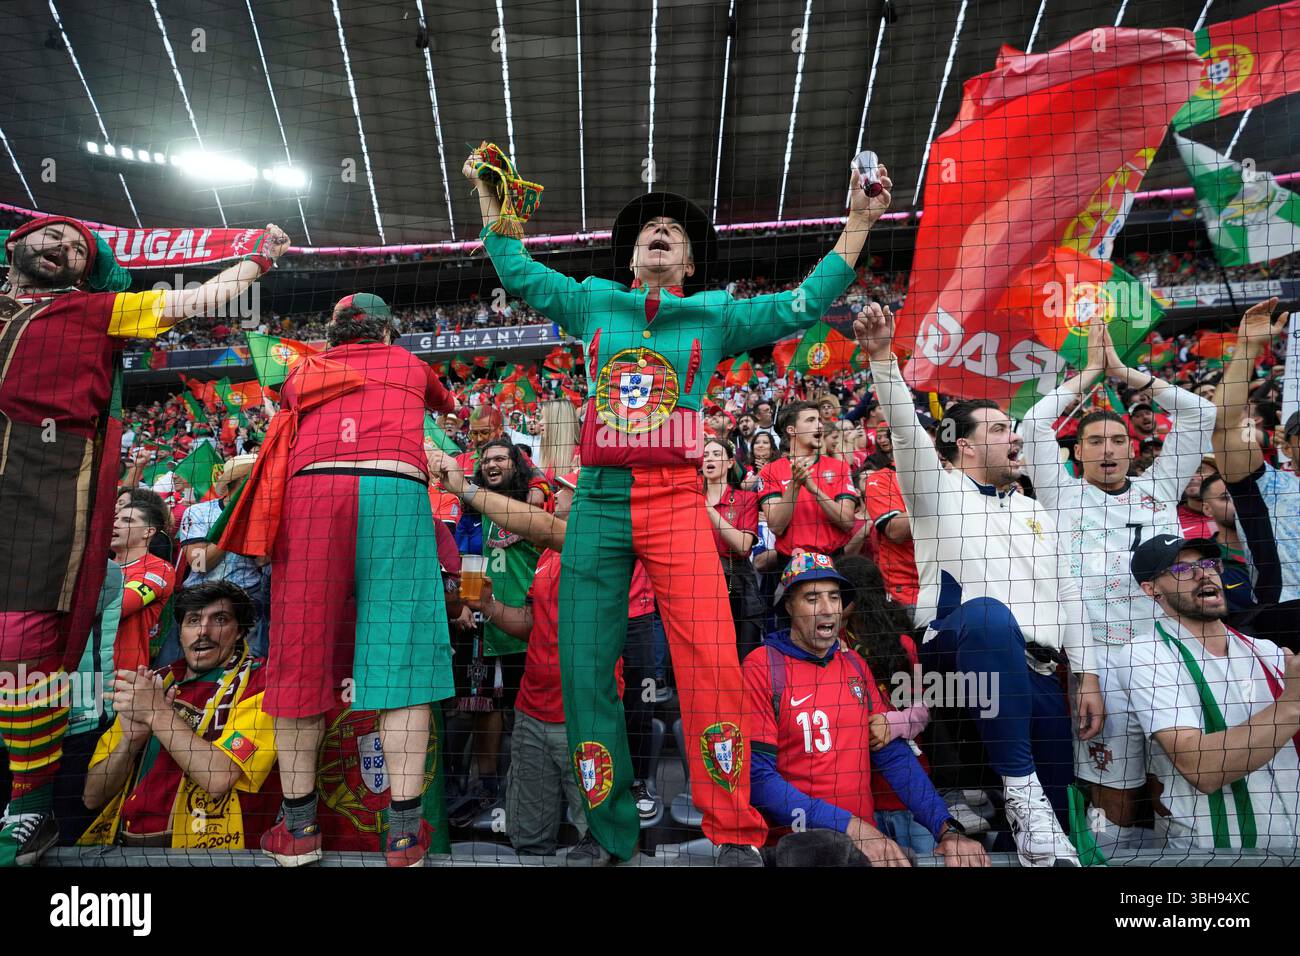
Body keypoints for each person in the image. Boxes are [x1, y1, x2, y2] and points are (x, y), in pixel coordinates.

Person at [467, 143, 894, 865]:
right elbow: (515, 270)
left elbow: (804, 303)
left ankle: (731, 833)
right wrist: (493, 204)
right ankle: (610, 835)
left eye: (675, 229)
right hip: (598, 504)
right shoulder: (591, 299)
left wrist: (857, 223)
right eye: (647, 227)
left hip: (675, 504)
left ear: (691, 262)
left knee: (712, 669)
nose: (660, 228)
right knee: (585, 670)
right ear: (631, 259)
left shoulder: (716, 314)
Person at [0, 216, 288, 866]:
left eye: (78, 247)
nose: (64, 248)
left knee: (21, 646)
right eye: (53, 235)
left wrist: (258, 263)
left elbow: (194, 302)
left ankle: (27, 806)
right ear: (15, 243)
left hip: (43, 480)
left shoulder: (99, 309)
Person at [854, 301, 1100, 867]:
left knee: (1056, 838)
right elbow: (905, 430)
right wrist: (881, 360)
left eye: (1011, 428)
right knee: (989, 614)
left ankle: (1033, 812)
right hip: (959, 662)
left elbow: (1068, 596)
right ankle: (1018, 788)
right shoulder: (937, 492)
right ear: (963, 446)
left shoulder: (1036, 511)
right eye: (996, 429)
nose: (1012, 438)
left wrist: (1083, 676)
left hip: (1038, 675)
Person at [222, 292, 457, 868]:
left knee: (298, 658)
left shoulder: (303, 368)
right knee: (402, 664)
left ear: (333, 332)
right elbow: (448, 406)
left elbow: (288, 397)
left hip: (313, 494)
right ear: (387, 332)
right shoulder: (407, 363)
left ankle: (299, 828)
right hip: (396, 491)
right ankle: (404, 835)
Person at [1022, 311, 1215, 849]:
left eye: (1117, 440)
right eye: (1095, 441)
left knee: (1174, 786)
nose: (1107, 449)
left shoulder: (1161, 487)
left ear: (1133, 449)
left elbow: (1202, 413)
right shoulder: (1059, 496)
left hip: (1169, 657)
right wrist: (1090, 375)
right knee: (1117, 798)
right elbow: (1033, 427)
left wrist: (1127, 375)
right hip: (1098, 666)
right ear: (1076, 453)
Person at [429, 450, 649, 862]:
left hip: (583, 719)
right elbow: (532, 620)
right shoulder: (549, 556)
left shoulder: (602, 547)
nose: (558, 497)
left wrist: (463, 486)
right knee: (528, 837)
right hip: (532, 713)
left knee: (601, 839)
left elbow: (539, 524)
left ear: (588, 502)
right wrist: (490, 607)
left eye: (566, 492)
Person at [743, 550, 988, 867]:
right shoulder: (761, 666)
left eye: (835, 597)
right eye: (812, 598)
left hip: (864, 852)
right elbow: (759, 779)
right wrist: (850, 826)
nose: (828, 609)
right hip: (799, 851)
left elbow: (892, 753)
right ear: (789, 605)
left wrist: (947, 829)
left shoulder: (854, 664)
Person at [1121, 535, 1300, 851]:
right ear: (1152, 590)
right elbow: (1201, 769)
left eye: (1207, 564)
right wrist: (1292, 704)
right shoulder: (1145, 654)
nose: (1203, 574)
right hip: (1209, 853)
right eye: (1182, 569)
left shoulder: (1267, 651)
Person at [79, 582, 279, 850]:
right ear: (181, 632)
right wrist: (129, 744)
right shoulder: (153, 684)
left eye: (219, 619)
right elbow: (92, 796)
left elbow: (218, 778)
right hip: (127, 847)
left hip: (216, 853)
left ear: (240, 631)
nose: (203, 631)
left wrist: (157, 714)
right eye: (193, 620)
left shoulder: (262, 683)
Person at [450, 438, 551, 824]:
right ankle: (488, 785)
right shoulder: (472, 510)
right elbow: (464, 558)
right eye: (486, 460)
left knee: (530, 710)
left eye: (501, 459)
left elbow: (544, 476)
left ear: (517, 466)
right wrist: (463, 603)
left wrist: (538, 485)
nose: (492, 465)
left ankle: (530, 783)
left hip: (529, 623)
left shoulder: (532, 505)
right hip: (482, 625)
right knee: (483, 708)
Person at [1210, 298, 1300, 649]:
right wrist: (1248, 347)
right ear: (1287, 448)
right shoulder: (1269, 487)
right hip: (1287, 626)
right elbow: (1222, 424)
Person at [758, 401, 859, 560]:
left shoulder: (840, 467)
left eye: (819, 420)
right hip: (791, 561)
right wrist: (795, 485)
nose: (819, 426)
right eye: (810, 420)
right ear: (792, 430)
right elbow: (776, 527)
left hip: (835, 559)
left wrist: (814, 489)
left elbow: (847, 522)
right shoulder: (770, 471)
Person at [701, 437, 762, 660]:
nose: (709, 459)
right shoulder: (690, 500)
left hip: (737, 586)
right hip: (701, 586)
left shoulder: (745, 498)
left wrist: (708, 510)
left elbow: (743, 546)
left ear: (729, 463)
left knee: (741, 654)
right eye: (705, 455)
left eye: (716, 454)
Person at [109, 499, 177, 674]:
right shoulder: (97, 565)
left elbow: (119, 607)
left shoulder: (159, 569)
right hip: (79, 669)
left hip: (122, 674)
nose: (115, 524)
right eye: (115, 519)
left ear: (148, 531)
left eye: (127, 520)